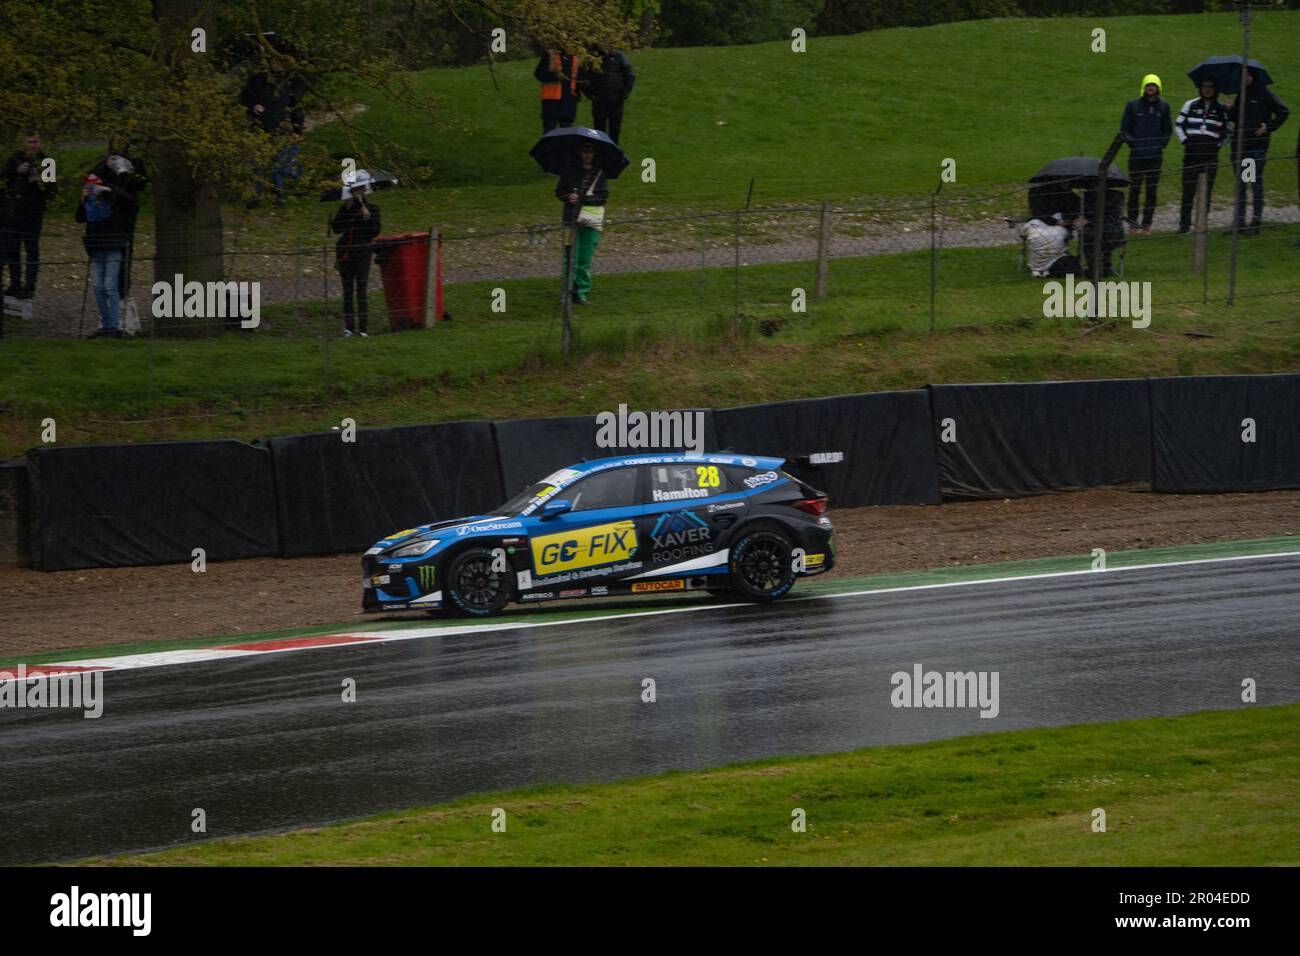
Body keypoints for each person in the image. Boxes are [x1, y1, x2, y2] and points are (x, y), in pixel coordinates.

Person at [1225, 69, 1289, 236]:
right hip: (1239, 147)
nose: (1243, 78)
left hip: (1254, 148)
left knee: (1253, 184)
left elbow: (1283, 111)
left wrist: (1268, 127)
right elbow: (1234, 117)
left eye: (1245, 75)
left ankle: (1255, 222)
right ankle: (1240, 222)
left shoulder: (1263, 93)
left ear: (1252, 76)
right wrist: (1228, 108)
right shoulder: (1241, 94)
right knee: (1241, 185)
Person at [75, 172, 137, 338]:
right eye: (89, 186)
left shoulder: (113, 198)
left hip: (113, 245)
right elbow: (79, 218)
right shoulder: (88, 201)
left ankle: (114, 325)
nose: (93, 189)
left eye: (95, 186)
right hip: (95, 246)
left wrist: (109, 191)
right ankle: (106, 324)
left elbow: (130, 202)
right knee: (98, 286)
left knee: (110, 285)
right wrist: (83, 200)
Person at [90, 137, 149, 299]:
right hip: (106, 213)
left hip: (126, 212)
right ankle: (108, 291)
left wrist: (129, 173)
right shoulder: (103, 164)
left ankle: (122, 291)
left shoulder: (136, 163)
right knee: (106, 252)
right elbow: (92, 181)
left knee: (125, 251)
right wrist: (106, 166)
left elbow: (142, 184)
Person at [1, 131, 58, 300]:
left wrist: (41, 180)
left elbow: (51, 189)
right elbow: (4, 180)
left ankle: (30, 286)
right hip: (13, 212)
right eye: (29, 142)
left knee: (32, 250)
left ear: (39, 142)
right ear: (23, 143)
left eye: (35, 142)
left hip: (33, 212)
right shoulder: (14, 159)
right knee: (13, 250)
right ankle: (15, 284)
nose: (33, 145)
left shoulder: (46, 161)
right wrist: (17, 172)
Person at [240, 64, 306, 207]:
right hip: (259, 129)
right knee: (256, 164)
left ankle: (279, 197)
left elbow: (297, 108)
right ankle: (255, 196)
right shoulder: (259, 78)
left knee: (279, 165)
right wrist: (254, 105)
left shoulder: (288, 83)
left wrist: (297, 130)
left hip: (280, 130)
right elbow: (245, 97)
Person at [1175, 77, 1232, 233]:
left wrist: (1217, 146)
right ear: (1200, 88)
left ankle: (1202, 225)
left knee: (1207, 193)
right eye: (1204, 86)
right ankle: (1184, 225)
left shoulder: (1221, 109)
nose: (1207, 89)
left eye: (1211, 87)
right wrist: (1185, 141)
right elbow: (1179, 125)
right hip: (1191, 156)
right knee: (1188, 192)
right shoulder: (1190, 104)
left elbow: (1228, 131)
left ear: (1216, 89)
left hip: (1210, 157)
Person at [555, 142, 608, 305]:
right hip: (570, 220)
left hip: (591, 222)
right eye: (584, 151)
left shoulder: (599, 174)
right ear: (579, 153)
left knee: (584, 259)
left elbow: (603, 197)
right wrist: (568, 197)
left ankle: (581, 291)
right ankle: (566, 291)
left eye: (589, 152)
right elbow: (559, 191)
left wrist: (583, 199)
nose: (586, 155)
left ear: (594, 154)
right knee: (569, 257)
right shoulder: (569, 171)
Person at [1120, 74, 1172, 233]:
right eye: (1149, 85)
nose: (1151, 88)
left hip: (1155, 157)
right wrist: (1134, 144)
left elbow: (1167, 130)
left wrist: (1160, 145)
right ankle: (1133, 224)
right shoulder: (1133, 106)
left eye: (1154, 86)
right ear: (1144, 87)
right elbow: (1124, 130)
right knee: (1134, 190)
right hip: (1136, 156)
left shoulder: (1164, 107)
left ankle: (1147, 224)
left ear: (1158, 88)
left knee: (1151, 191)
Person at [331, 170, 381, 336]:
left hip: (362, 254)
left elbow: (374, 231)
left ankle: (363, 328)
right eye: (354, 191)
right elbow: (337, 228)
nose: (356, 194)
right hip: (347, 253)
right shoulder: (346, 209)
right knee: (347, 292)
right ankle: (349, 327)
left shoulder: (372, 209)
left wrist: (366, 216)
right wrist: (346, 211)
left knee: (361, 290)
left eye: (359, 190)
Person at [581, 48, 635, 144]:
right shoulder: (593, 57)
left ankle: (613, 153)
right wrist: (590, 94)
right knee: (599, 130)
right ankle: (600, 152)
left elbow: (630, 75)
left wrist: (624, 94)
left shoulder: (619, 56)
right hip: (599, 99)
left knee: (615, 129)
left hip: (616, 99)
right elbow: (583, 77)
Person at [1081, 187, 1126, 277]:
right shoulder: (1088, 196)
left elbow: (1114, 217)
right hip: (1093, 228)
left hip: (1110, 228)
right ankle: (1093, 267)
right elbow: (1086, 214)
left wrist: (1090, 221)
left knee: (1104, 232)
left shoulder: (1115, 196)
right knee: (1085, 233)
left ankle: (1106, 265)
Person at [535, 49, 581, 134]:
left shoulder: (576, 57)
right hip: (552, 102)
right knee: (549, 135)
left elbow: (580, 79)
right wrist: (555, 75)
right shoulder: (550, 54)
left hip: (568, 103)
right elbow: (539, 74)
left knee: (565, 137)